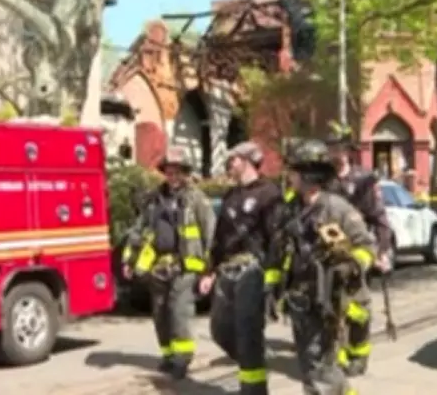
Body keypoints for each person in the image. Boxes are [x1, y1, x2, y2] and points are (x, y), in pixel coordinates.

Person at [267, 139, 376, 395]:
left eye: (293, 170)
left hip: (328, 302)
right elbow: (278, 253)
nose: (289, 176)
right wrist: (271, 288)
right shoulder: (290, 210)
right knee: (313, 367)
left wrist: (348, 266)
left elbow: (366, 248)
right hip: (300, 302)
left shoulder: (336, 208)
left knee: (320, 369)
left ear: (308, 174)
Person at [121, 147, 216, 379]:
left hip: (185, 268)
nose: (173, 177)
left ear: (185, 173)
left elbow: (212, 236)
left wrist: (208, 272)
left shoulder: (197, 200)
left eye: (178, 172)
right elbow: (139, 230)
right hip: (158, 267)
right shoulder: (154, 200)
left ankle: (182, 360)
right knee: (160, 314)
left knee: (178, 313)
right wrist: (129, 260)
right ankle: (168, 355)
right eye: (169, 172)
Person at [201, 141, 282, 395]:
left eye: (233, 160)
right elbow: (219, 237)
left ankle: (254, 388)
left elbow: (277, 239)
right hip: (227, 271)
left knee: (247, 332)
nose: (229, 165)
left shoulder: (270, 193)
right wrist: (209, 271)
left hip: (253, 272)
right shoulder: (231, 195)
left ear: (248, 161)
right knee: (219, 330)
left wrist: (272, 278)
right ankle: (255, 357)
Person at [324, 121, 393, 377]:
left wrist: (381, 252)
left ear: (348, 150)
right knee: (332, 307)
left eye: (338, 147)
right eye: (330, 147)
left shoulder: (364, 180)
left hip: (359, 252)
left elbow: (380, 220)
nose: (334, 153)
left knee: (357, 310)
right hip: (331, 253)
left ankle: (359, 354)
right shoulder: (324, 181)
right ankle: (338, 358)